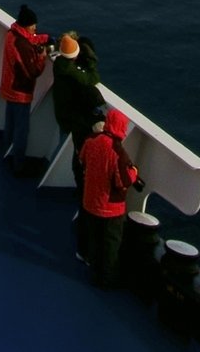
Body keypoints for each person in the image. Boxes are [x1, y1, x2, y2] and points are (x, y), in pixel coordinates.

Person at [75, 107, 141, 287]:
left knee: (95, 239)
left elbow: (82, 159)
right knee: (110, 243)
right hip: (110, 208)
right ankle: (106, 279)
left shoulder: (91, 140)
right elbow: (123, 181)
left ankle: (93, 269)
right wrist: (134, 172)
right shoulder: (118, 152)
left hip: (90, 201)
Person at [0, 5, 52, 168]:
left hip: (9, 86)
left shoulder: (12, 34)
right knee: (21, 130)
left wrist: (44, 38)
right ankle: (18, 165)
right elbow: (33, 71)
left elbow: (28, 39)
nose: (35, 28)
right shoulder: (21, 45)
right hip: (19, 92)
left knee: (10, 124)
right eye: (33, 25)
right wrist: (41, 57)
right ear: (26, 25)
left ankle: (7, 153)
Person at [46, 30, 104, 146]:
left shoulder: (59, 62)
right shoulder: (71, 71)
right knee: (67, 142)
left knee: (63, 137)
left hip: (62, 110)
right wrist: (91, 60)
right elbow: (92, 78)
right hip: (70, 116)